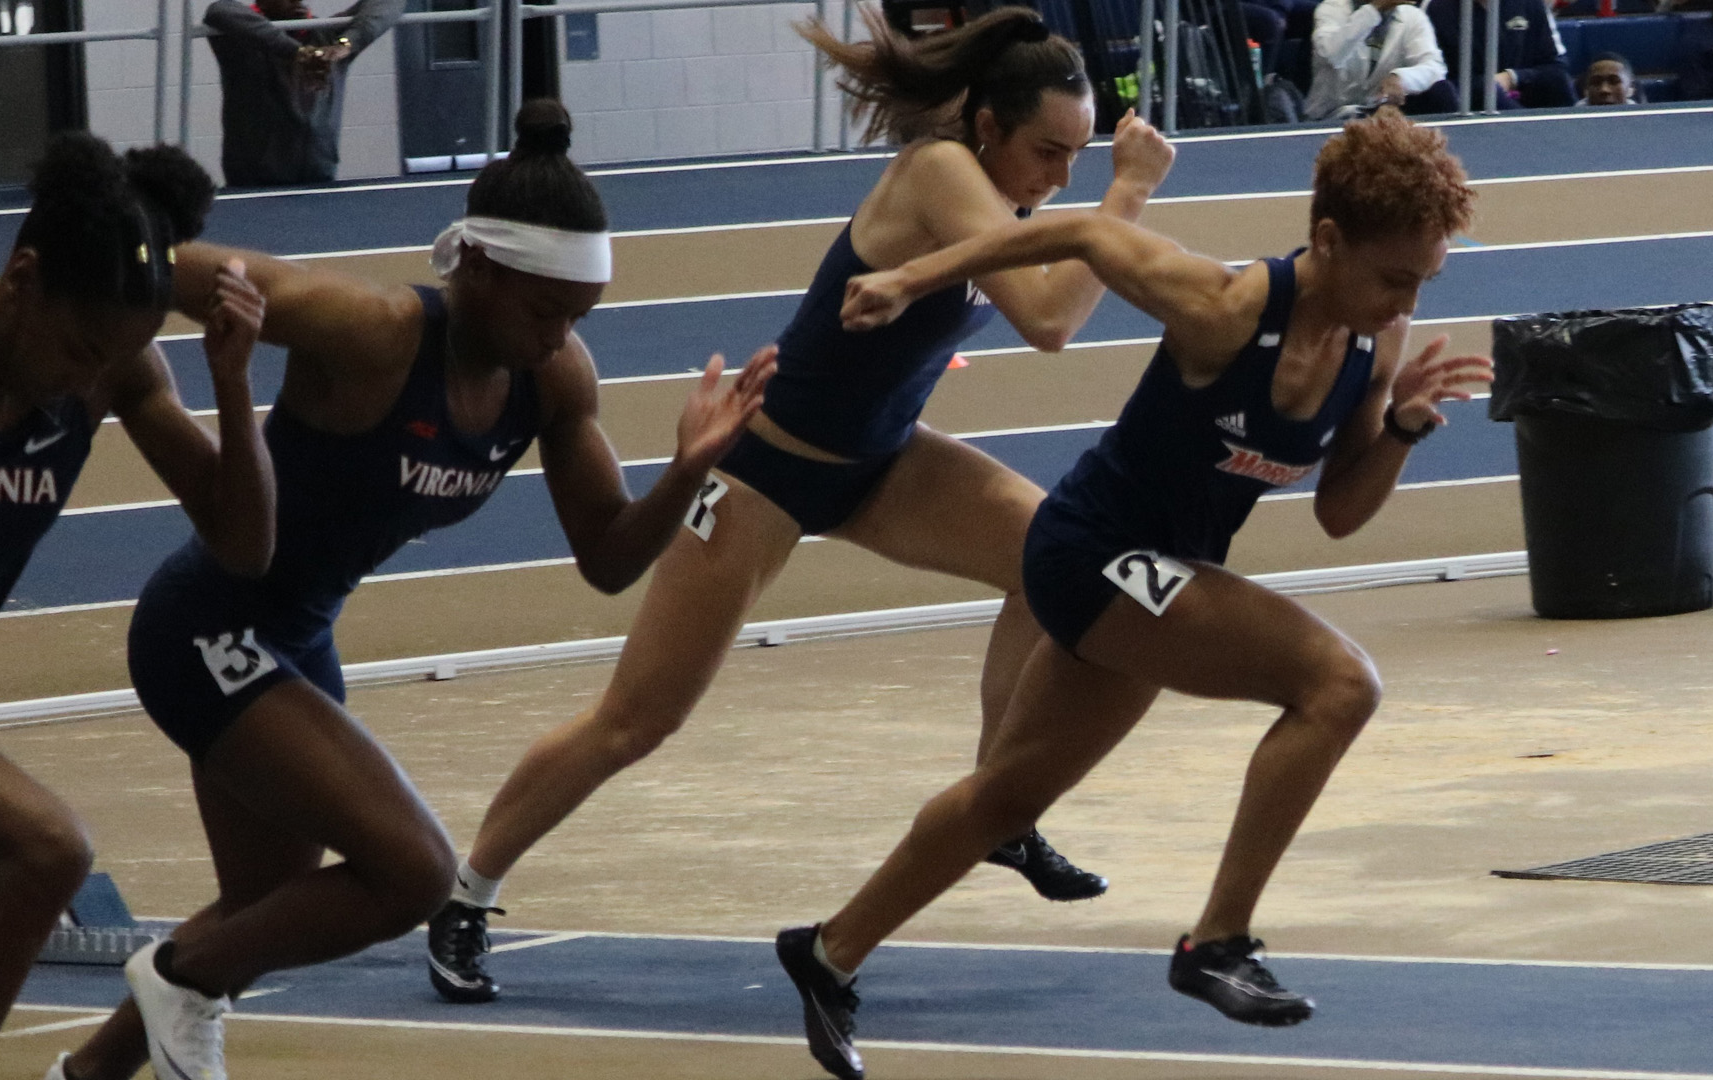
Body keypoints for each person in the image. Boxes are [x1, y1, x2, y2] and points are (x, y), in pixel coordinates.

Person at [424, 5, 1175, 1007]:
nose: (1063, 177)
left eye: (1082, 158)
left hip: (880, 461)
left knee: (1058, 557)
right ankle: (465, 896)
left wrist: (1095, 204)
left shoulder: (1006, 194)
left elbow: (1048, 278)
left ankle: (999, 805)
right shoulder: (944, 173)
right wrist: (1127, 192)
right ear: (989, 127)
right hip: (766, 473)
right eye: (1050, 151)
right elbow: (1049, 319)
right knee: (638, 718)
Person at [48, 100, 771, 1080]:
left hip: (295, 638)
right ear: (474, 265)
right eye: (541, 309)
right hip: (207, 625)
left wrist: (688, 468)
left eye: (576, 318)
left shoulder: (553, 378)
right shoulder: (377, 331)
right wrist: (66, 265)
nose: (557, 334)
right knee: (416, 872)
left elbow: (607, 558)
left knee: (262, 909)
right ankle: (176, 976)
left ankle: (87, 1070)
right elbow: (170, 264)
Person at [779, 110, 1488, 1080]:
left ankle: (825, 953)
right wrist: (908, 278)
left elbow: (1339, 513)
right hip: (1093, 550)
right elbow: (1079, 233)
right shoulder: (1229, 305)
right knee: (1339, 684)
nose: (1405, 300)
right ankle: (1218, 944)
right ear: (1327, 240)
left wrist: (1402, 428)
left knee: (1007, 796)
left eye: (1424, 282)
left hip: (1155, 573)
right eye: (1394, 277)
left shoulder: (1376, 339)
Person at [0, 133, 274, 1080]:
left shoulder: (113, 377)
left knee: (46, 852)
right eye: (80, 347)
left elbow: (244, 543)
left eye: (114, 358)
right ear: (21, 275)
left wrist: (231, 383)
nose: (81, 375)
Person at [203, 0, 405, 186]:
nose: (297, 1)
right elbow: (219, 11)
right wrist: (298, 53)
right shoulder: (239, 42)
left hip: (318, 175)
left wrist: (347, 44)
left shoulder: (327, 37)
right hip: (253, 179)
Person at [1306, 0, 1456, 117]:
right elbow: (1332, 55)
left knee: (1442, 92)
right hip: (1330, 118)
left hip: (1380, 114)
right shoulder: (1331, 10)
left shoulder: (1412, 16)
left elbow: (1434, 67)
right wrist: (1374, 10)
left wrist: (1400, 77)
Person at [1428, 0, 1577, 109]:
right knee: (1489, 91)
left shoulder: (1531, 4)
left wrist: (1513, 77)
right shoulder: (1437, 8)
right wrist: (1488, 85)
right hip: (1471, 99)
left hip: (1525, 90)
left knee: (1559, 83)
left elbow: (1556, 68)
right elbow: (1436, 74)